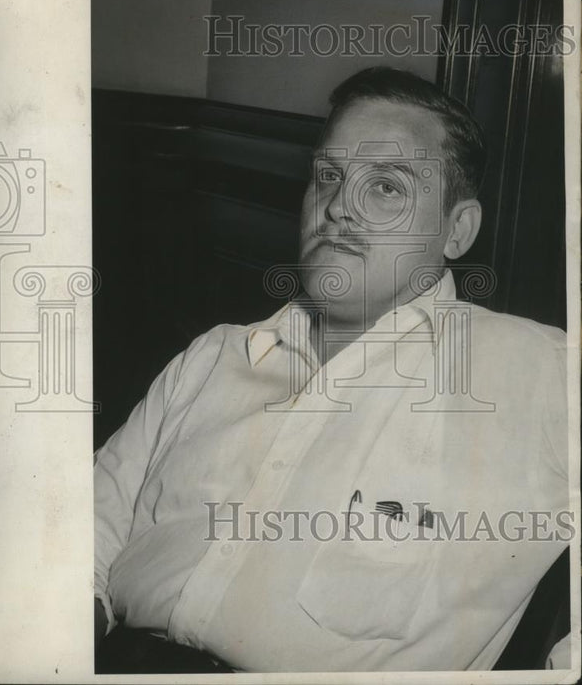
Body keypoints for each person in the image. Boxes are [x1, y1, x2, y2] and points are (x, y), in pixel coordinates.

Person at [94, 67, 570, 672]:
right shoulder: (212, 356)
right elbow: (90, 523)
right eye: (328, 176)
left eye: (387, 186)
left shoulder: (538, 373)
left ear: (457, 230)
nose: (339, 206)